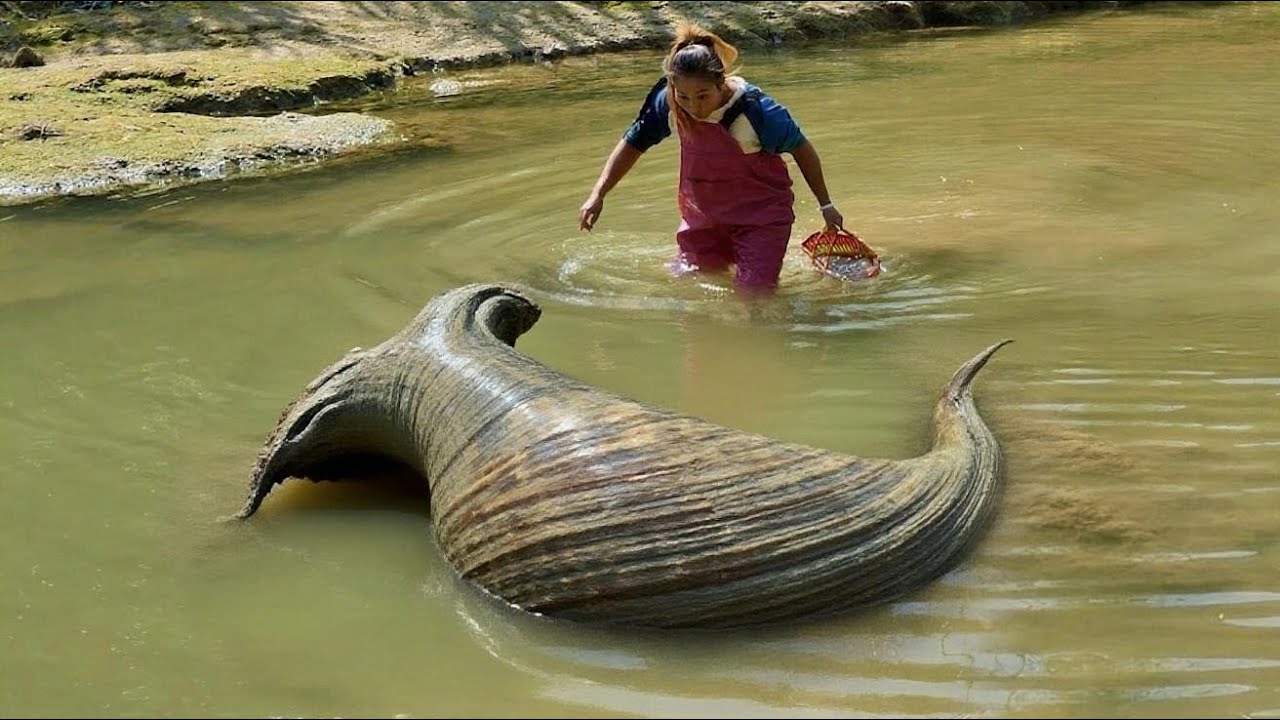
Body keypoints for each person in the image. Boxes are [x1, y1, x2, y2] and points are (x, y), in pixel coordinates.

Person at [578, 22, 846, 294]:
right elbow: (633, 142)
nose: (694, 107)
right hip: (703, 219)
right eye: (684, 96)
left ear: (721, 83)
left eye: (703, 96)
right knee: (689, 285)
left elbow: (802, 149)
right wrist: (598, 194)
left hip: (761, 221)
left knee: (755, 297)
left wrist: (826, 205)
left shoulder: (759, 113)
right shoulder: (668, 104)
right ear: (672, 87)